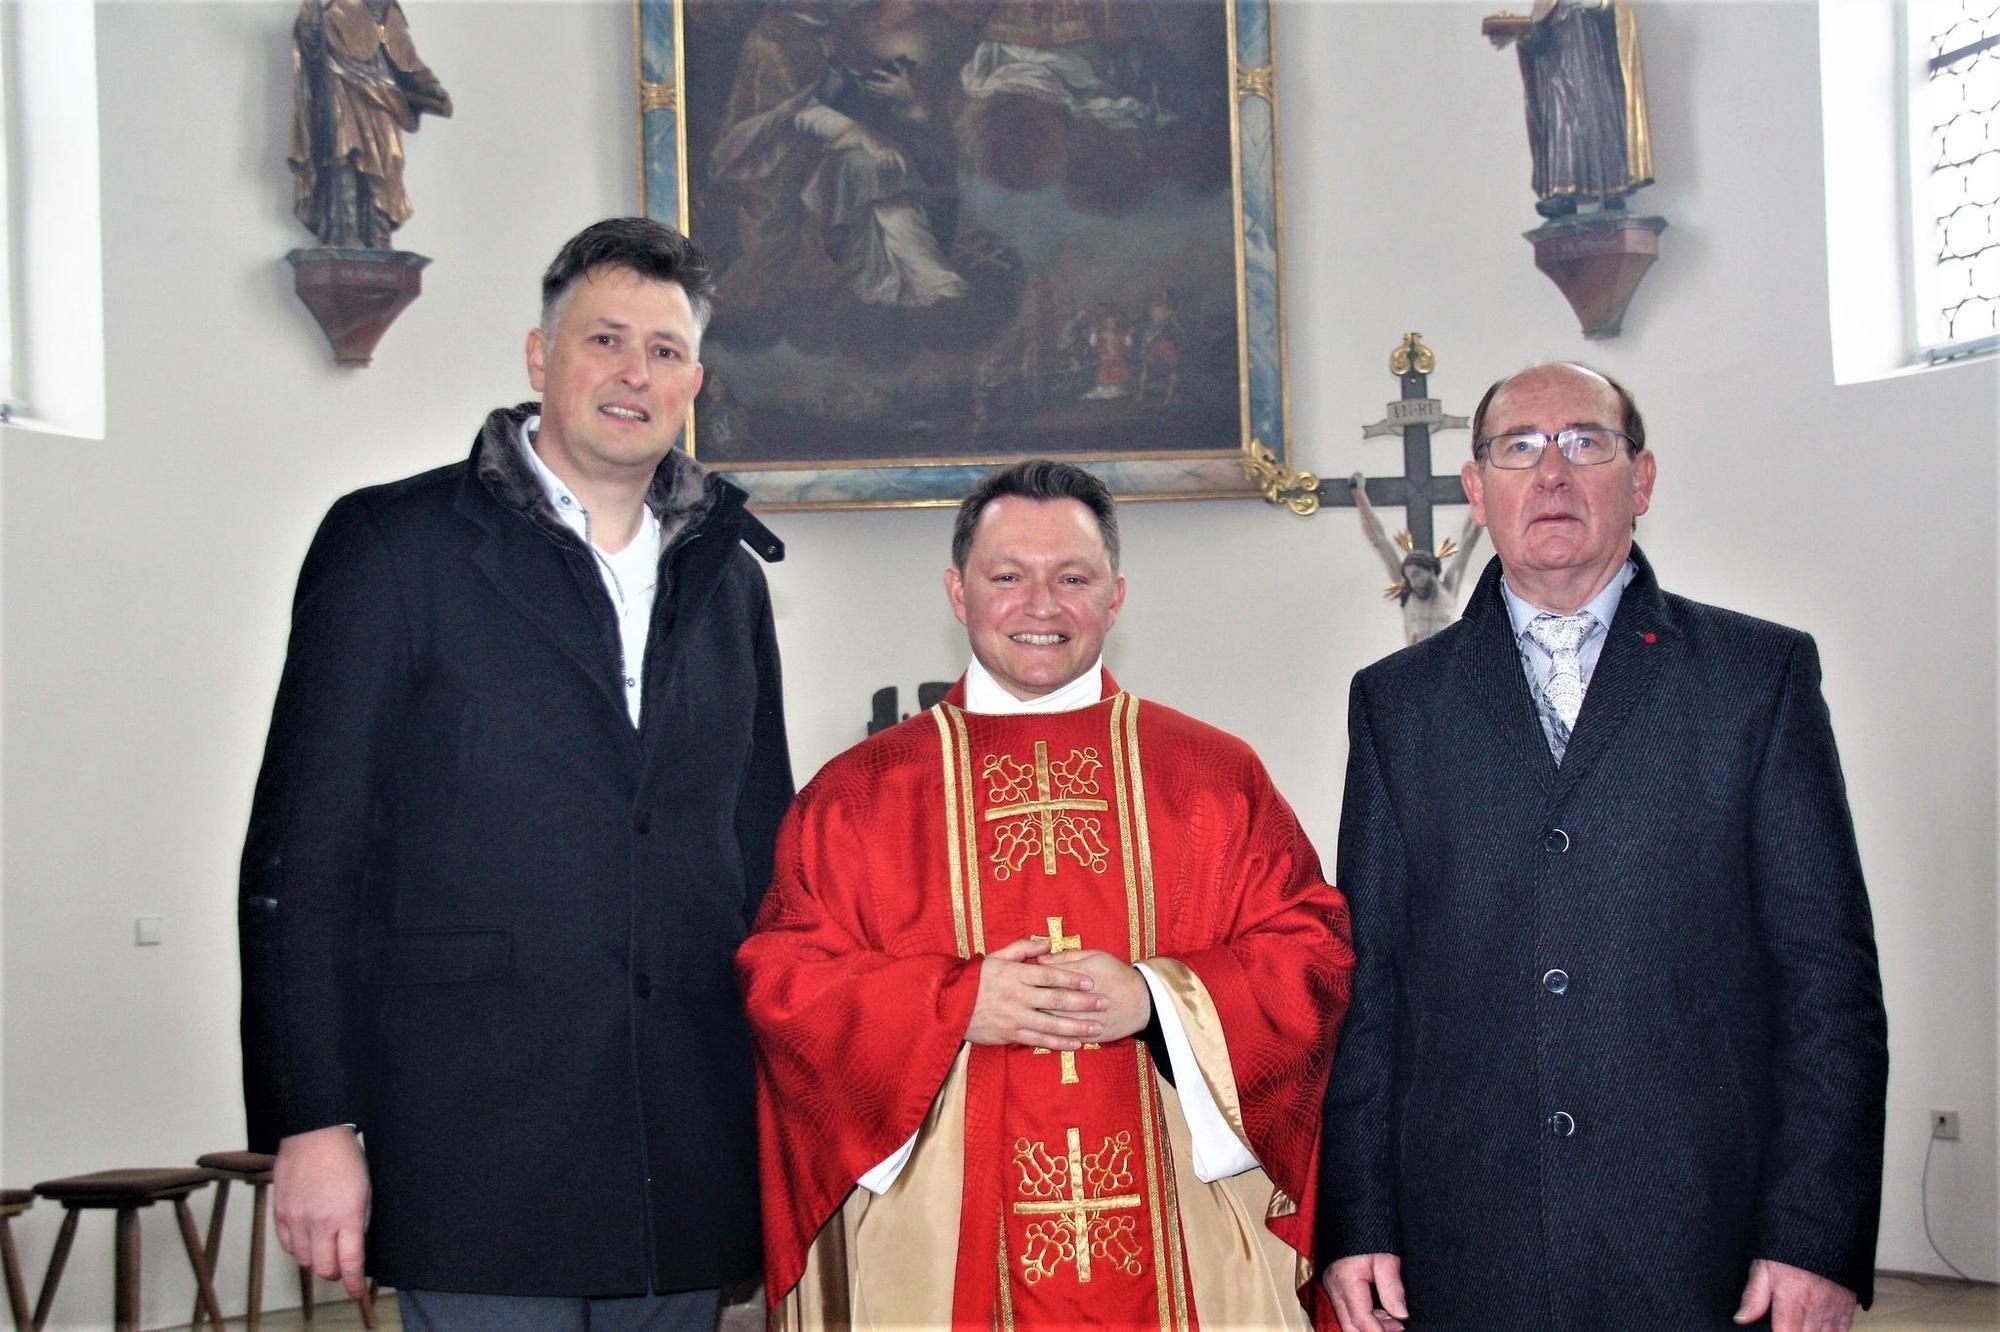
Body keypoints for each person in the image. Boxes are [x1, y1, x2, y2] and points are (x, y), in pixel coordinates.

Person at [238, 217, 793, 1330]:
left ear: (696, 381)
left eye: (665, 350)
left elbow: (763, 856)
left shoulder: (727, 577)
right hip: (474, 1134)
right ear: (540, 359)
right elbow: (306, 856)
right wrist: (311, 1123)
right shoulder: (393, 547)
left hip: (682, 1138)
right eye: (604, 340)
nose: (634, 373)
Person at [1317, 362, 1888, 1331]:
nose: (1550, 474)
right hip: (1463, 1238)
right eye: (1516, 449)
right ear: (1474, 490)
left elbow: (1824, 984)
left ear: (1642, 479)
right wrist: (1356, 1217)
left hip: (1698, 1233)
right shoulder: (1397, 705)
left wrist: (1812, 1231)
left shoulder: (1755, 679)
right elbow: (1369, 992)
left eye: (1585, 442)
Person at [739, 460, 1354, 1328]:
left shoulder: (1212, 778)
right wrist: (953, 1004)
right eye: (1007, 577)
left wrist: (1156, 995)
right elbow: (783, 984)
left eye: (1073, 578)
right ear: (957, 592)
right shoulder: (862, 794)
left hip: (1186, 1227)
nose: (1041, 605)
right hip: (937, 1234)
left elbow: (1313, 956)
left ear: (1116, 595)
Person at [289, 0, 453, 249]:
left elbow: (407, 60)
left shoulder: (389, 11)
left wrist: (432, 89)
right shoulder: (335, 10)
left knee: (389, 161)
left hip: (383, 99)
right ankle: (343, 234)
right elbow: (310, 41)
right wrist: (310, 15)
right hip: (342, 93)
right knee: (344, 158)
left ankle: (378, 233)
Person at [1482, 0, 1653, 218]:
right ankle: (1563, 193)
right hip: (1558, 82)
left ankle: (1613, 186)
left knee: (1600, 122)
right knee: (1562, 133)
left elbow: (1618, 22)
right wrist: (1520, 33)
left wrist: (1596, 5)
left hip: (1595, 74)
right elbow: (1540, 44)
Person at [1348, 471, 1483, 646]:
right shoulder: (1407, 593)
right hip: (1416, 664)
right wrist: (1358, 495)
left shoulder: (1449, 588)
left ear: (1431, 571)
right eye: (1410, 577)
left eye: (1417, 574)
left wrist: (1483, 494)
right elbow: (1379, 541)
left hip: (1446, 661)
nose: (1413, 582)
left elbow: (1469, 541)